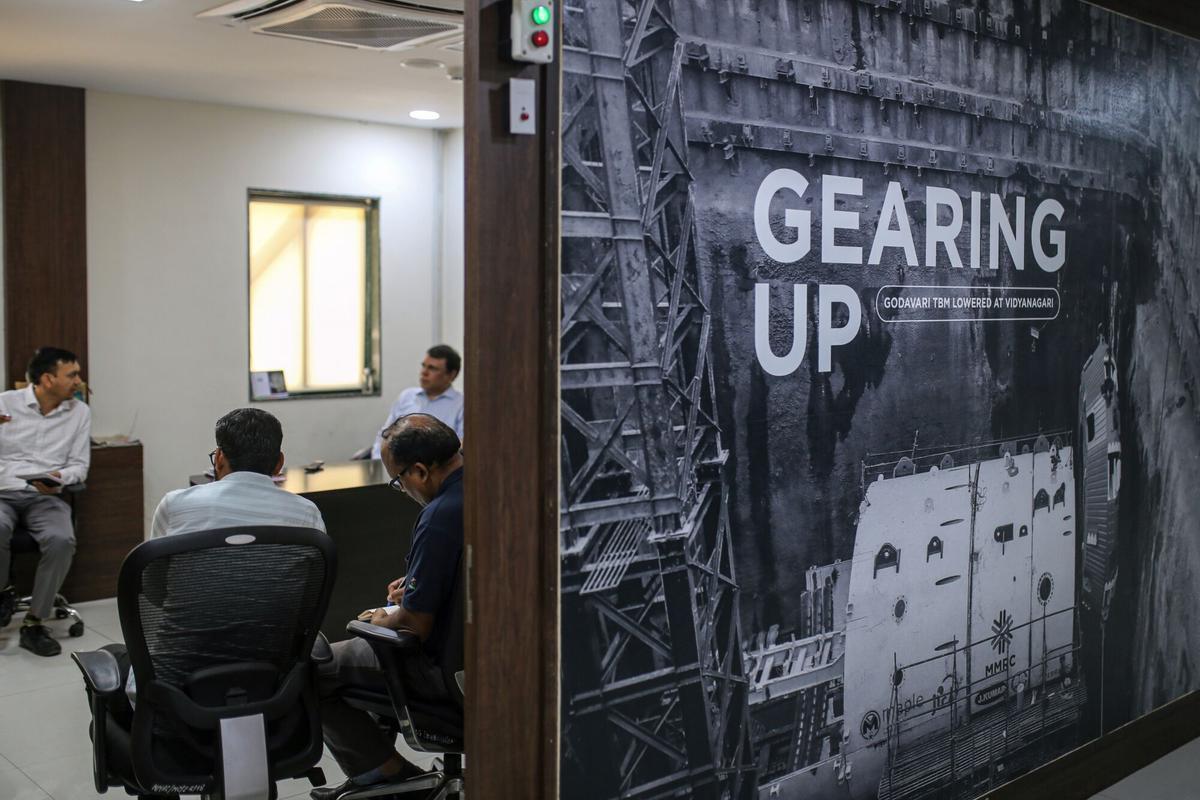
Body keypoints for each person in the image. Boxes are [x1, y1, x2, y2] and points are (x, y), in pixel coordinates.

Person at [101, 407, 327, 718]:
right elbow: (308, 603)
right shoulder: (307, 514)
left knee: (110, 659)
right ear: (279, 463)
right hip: (273, 689)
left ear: (219, 458)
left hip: (173, 694)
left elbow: (154, 591)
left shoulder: (175, 506)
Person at [314, 413, 463, 800]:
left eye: (398, 481)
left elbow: (413, 626)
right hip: (484, 664)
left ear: (419, 471)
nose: (402, 489)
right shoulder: (490, 489)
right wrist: (415, 588)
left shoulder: (438, 517)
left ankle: (384, 774)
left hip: (439, 670)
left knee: (314, 668)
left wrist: (386, 616)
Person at [0, 347, 90, 657]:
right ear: (47, 378)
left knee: (61, 539)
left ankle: (34, 622)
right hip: (3, 492)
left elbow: (80, 465)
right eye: (72, 374)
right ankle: (2, 593)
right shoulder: (4, 404)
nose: (79, 381)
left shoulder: (79, 412)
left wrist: (59, 477)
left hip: (46, 496)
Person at [370, 345, 463, 459]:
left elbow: (459, 449)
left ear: (452, 375)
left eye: (432, 368)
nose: (424, 372)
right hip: (396, 467)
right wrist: (378, 460)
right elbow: (385, 435)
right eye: (424, 366)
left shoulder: (462, 404)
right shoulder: (407, 396)